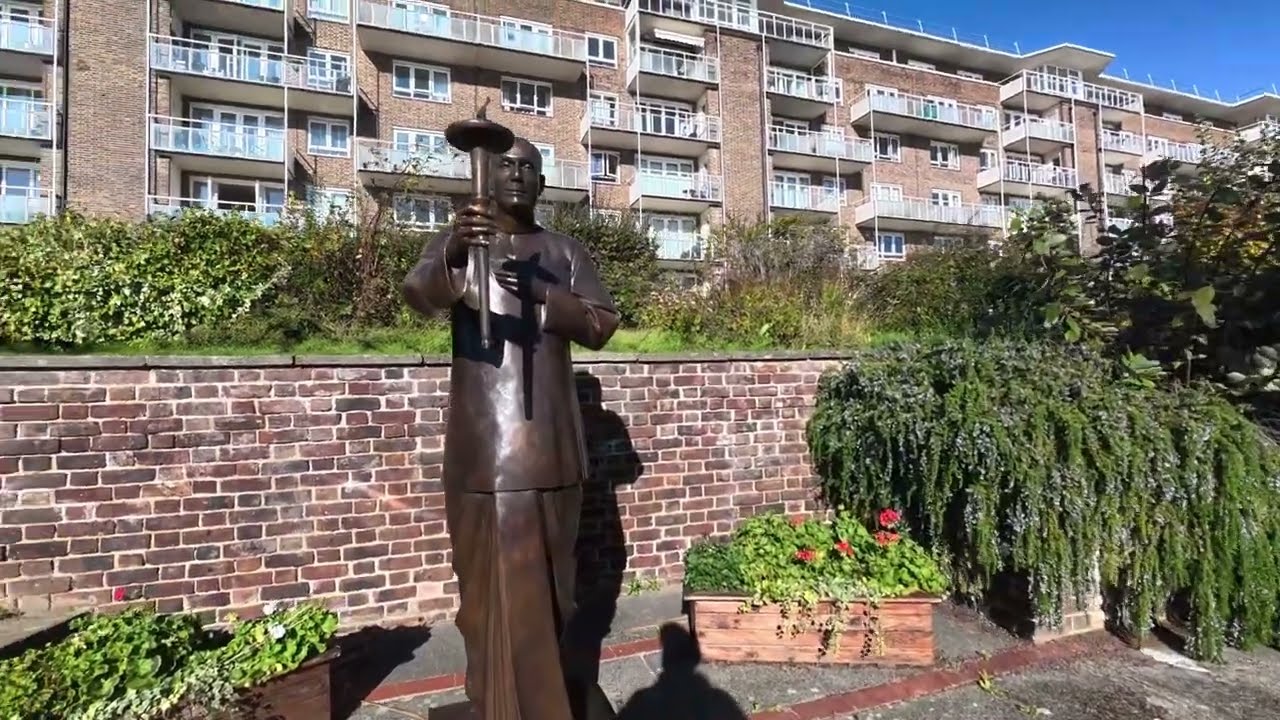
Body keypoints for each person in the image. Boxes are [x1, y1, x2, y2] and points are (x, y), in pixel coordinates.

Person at [401, 138, 621, 720]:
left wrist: (548, 296)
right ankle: (497, 702)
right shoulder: (457, 248)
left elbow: (601, 324)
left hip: (549, 443)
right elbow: (419, 295)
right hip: (481, 448)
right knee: (481, 593)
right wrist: (453, 247)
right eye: (507, 165)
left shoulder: (563, 250)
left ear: (542, 184)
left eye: (529, 167)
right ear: (487, 178)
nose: (518, 175)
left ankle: (552, 697)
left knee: (556, 589)